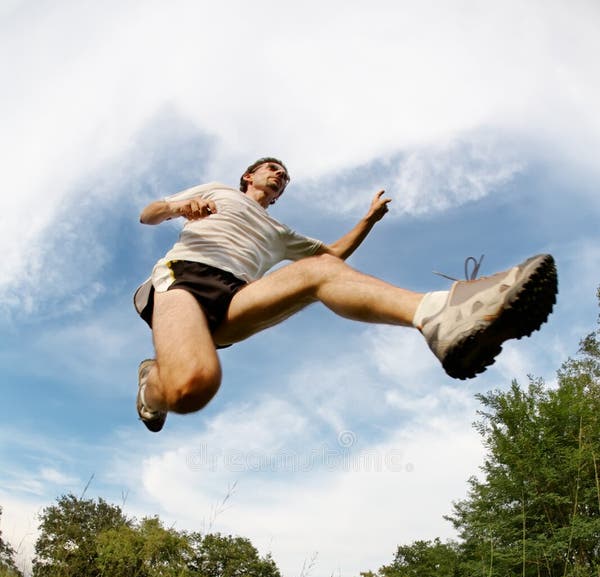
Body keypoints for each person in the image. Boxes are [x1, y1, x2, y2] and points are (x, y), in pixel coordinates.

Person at [134, 157, 558, 432]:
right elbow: (148, 213)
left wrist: (368, 219)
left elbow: (332, 254)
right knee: (191, 385)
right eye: (273, 170)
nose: (279, 176)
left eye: (284, 177)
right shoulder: (218, 192)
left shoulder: (279, 232)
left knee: (320, 271)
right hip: (184, 279)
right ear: (249, 176)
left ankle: (438, 315)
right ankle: (153, 380)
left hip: (236, 297)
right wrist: (178, 208)